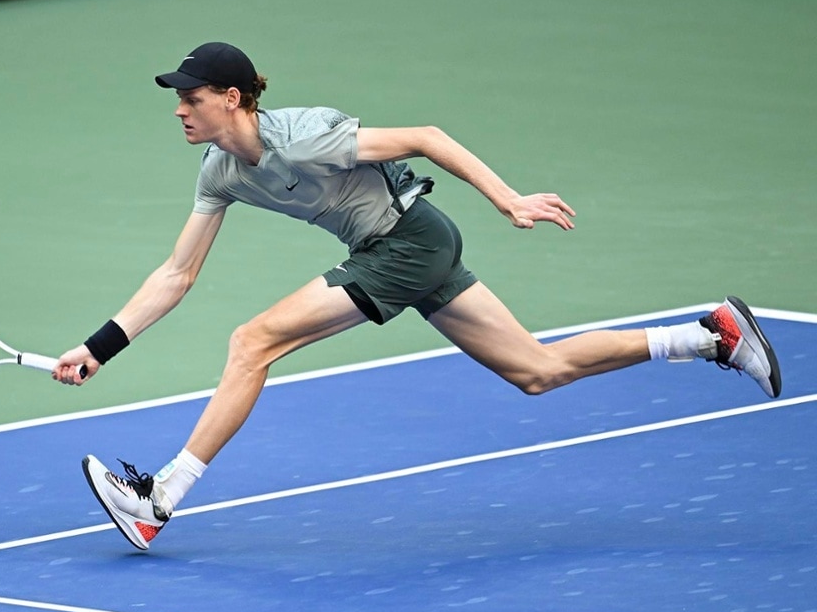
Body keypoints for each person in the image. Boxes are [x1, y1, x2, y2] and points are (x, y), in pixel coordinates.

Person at [52, 42, 782, 551]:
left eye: (192, 99)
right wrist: (98, 348)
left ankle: (159, 500)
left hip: (407, 242)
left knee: (253, 342)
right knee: (537, 371)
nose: (180, 110)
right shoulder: (220, 171)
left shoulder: (303, 138)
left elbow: (428, 137)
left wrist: (508, 200)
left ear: (232, 99)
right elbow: (176, 274)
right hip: (403, 247)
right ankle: (712, 336)